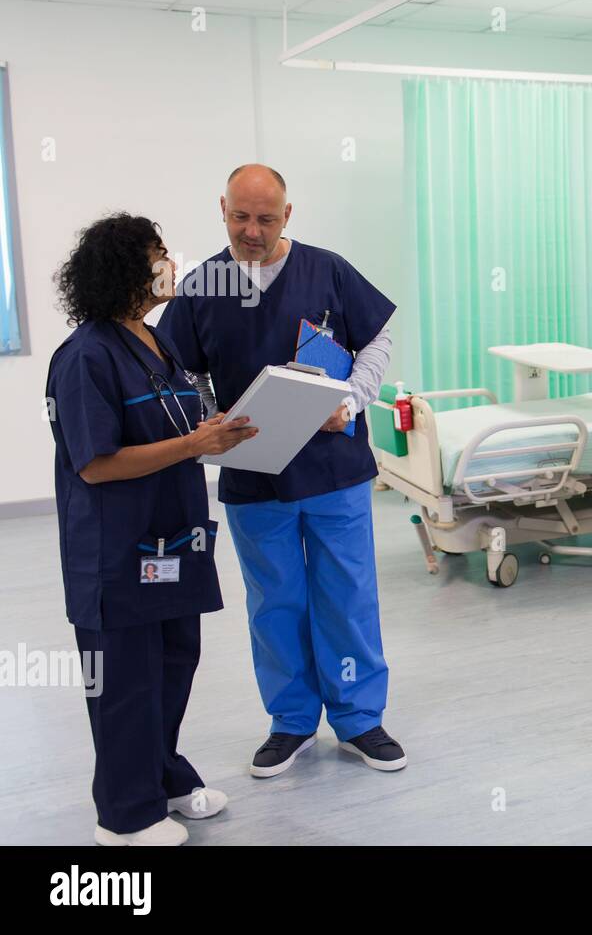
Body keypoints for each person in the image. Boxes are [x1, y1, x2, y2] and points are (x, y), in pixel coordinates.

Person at [157, 164, 406, 778]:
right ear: (222, 208)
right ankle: (291, 720)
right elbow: (178, 373)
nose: (252, 229)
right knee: (276, 602)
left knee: (346, 596)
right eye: (240, 216)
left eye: (266, 218)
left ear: (287, 216)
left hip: (334, 469)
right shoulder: (201, 287)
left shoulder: (327, 270)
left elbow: (377, 337)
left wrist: (351, 398)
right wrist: (212, 419)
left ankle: (358, 718)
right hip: (254, 473)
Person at [48, 214, 257, 845]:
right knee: (125, 683)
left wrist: (218, 428)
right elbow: (96, 462)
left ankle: (162, 778)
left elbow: (176, 422)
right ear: (126, 270)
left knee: (172, 665)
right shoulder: (85, 356)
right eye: (159, 254)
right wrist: (197, 441)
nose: (172, 263)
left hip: (170, 538)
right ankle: (125, 817)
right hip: (116, 550)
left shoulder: (154, 340)